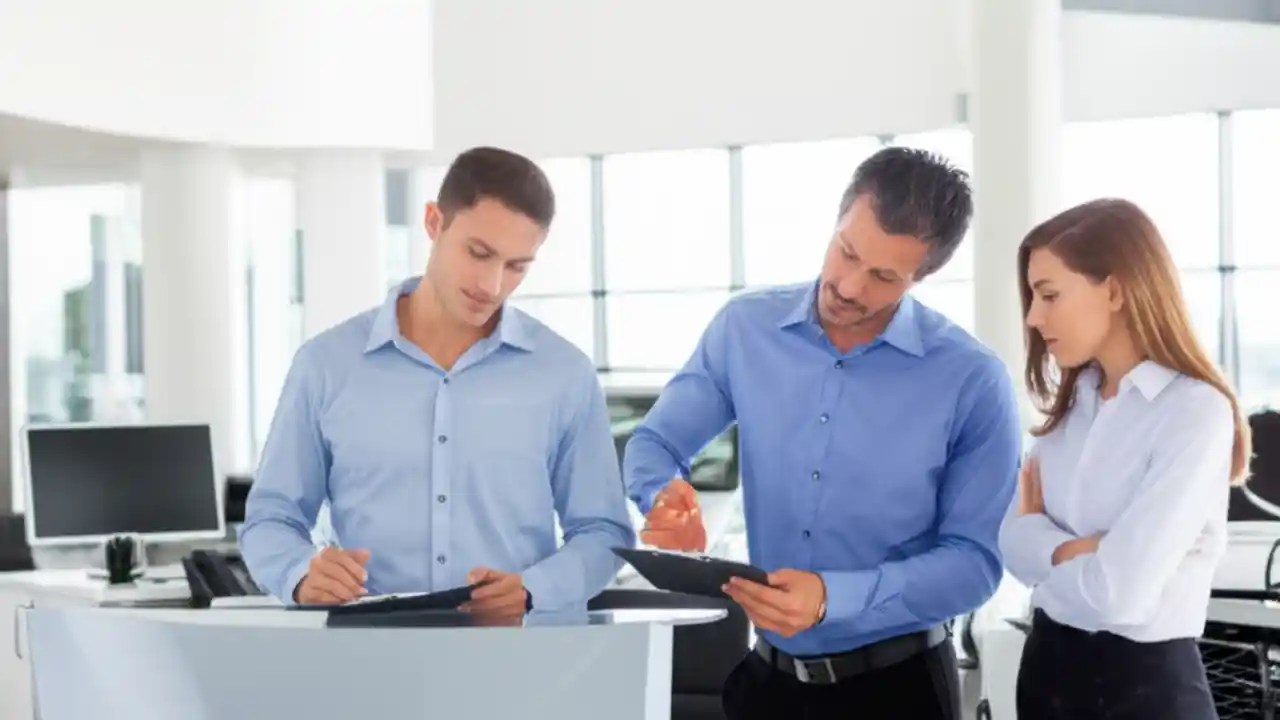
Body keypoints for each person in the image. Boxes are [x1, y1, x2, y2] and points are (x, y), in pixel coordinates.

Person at [626, 147, 1022, 719]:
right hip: (767, 684)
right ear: (837, 222)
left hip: (899, 692)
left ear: (922, 275)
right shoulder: (745, 330)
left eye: (884, 276)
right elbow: (655, 443)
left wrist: (834, 598)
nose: (850, 286)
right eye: (847, 251)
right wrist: (663, 496)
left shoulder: (972, 380)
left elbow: (975, 563)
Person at [239, 147, 634, 614]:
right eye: (479, 253)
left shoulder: (563, 374)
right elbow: (270, 519)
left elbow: (604, 532)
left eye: (516, 266)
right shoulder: (326, 365)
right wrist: (300, 572)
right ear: (433, 222)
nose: (491, 284)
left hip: (519, 663)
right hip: (366, 660)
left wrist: (534, 589)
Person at [999, 198, 1251, 719]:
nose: (1032, 316)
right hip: (1047, 676)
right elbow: (1010, 542)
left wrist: (1047, 548)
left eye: (1049, 295)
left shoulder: (1194, 412)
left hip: (1146, 690)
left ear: (1114, 290)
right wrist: (1083, 551)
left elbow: (1119, 594)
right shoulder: (1068, 409)